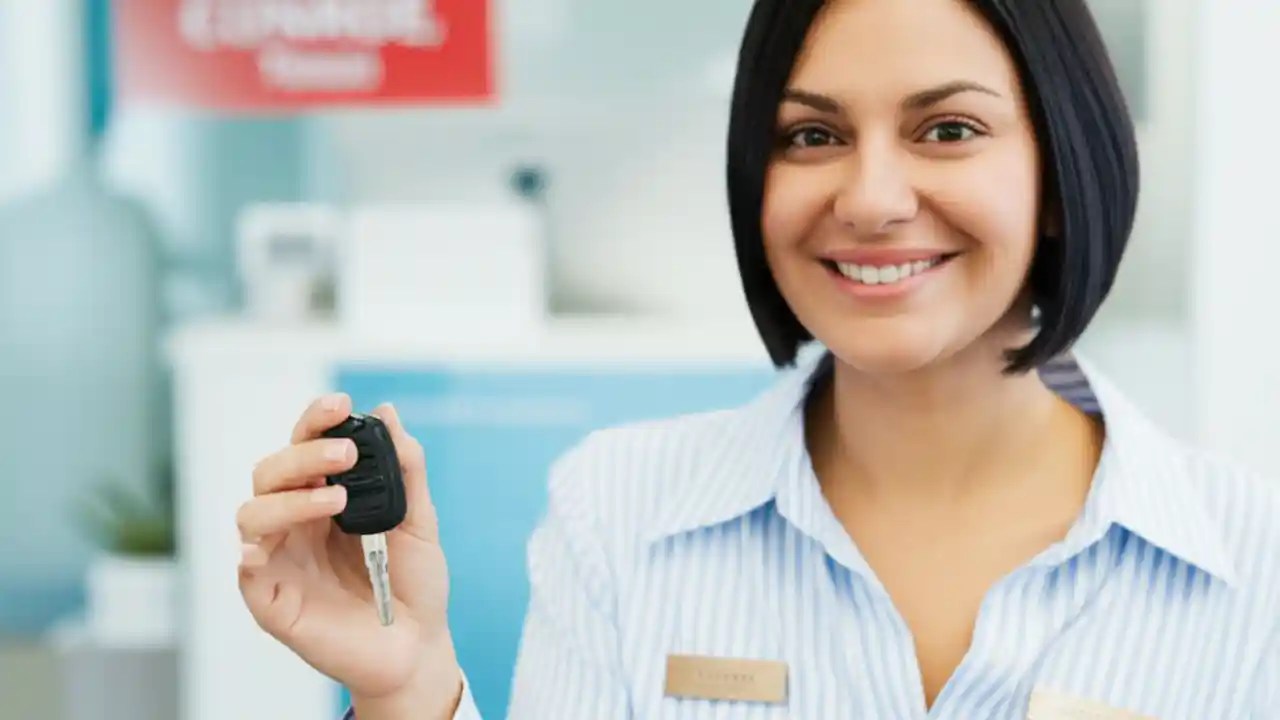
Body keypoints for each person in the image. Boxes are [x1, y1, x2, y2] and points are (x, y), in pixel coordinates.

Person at [235, 0, 1280, 717]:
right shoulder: (621, 513)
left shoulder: (1253, 569)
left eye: (947, 129)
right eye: (811, 137)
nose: (868, 199)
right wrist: (408, 689)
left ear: (1059, 174)